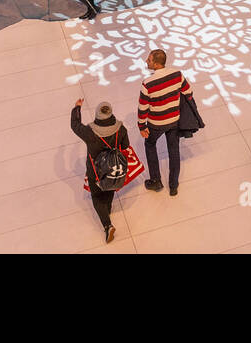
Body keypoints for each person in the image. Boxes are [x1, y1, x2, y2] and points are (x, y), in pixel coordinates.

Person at [137, 50, 203, 195]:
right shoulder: (177, 74)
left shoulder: (147, 84)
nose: (146, 61)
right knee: (174, 150)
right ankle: (173, 185)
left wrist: (142, 126)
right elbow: (188, 92)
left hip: (156, 123)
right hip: (174, 120)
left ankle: (156, 180)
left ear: (156, 63)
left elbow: (143, 108)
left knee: (150, 144)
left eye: (149, 59)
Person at [69, 98, 130, 243]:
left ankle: (107, 225)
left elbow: (75, 125)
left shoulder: (90, 132)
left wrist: (77, 108)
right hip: (113, 169)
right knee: (109, 187)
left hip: (95, 170)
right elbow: (125, 145)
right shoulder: (120, 129)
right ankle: (107, 209)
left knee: (96, 196)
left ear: (97, 115)